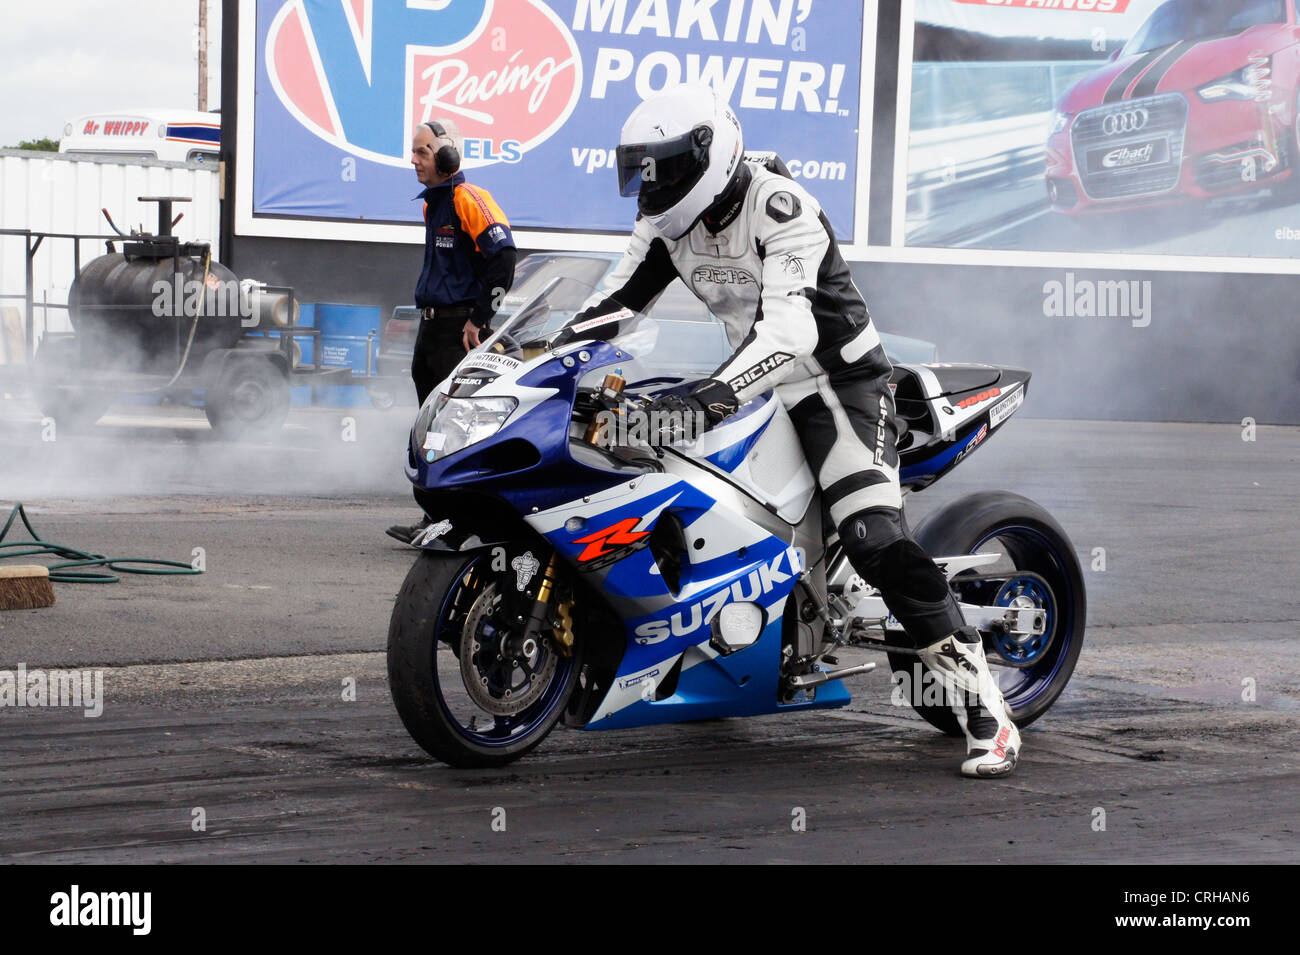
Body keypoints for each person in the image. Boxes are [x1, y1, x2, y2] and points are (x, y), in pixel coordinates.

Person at [560, 84, 1020, 778]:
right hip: (754, 379)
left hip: (838, 384)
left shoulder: (781, 207)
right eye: (641, 173)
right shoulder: (665, 222)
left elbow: (791, 330)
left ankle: (987, 712)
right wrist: (549, 356)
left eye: (661, 171)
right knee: (657, 473)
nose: (649, 188)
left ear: (705, 158)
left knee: (873, 537)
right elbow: (614, 302)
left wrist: (712, 392)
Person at [387, 118, 517, 545]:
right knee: (429, 430)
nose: (414, 159)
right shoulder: (433, 204)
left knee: (451, 432)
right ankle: (436, 520)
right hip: (431, 331)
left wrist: (479, 319)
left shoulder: (470, 198)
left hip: (457, 332)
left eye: (422, 152)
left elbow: (504, 259)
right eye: (415, 151)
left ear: (446, 157)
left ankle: (458, 526)